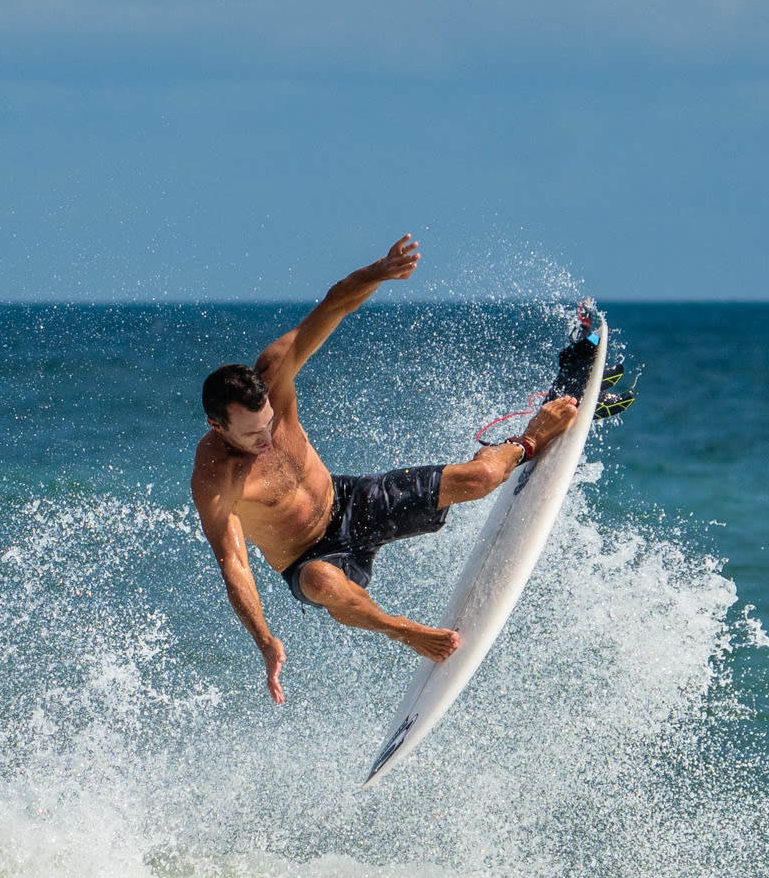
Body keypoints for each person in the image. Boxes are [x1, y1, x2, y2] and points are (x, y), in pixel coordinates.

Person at [189, 235, 575, 704]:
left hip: (350, 501)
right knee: (321, 583)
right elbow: (235, 567)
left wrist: (380, 272)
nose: (267, 438)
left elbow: (332, 307)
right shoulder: (216, 479)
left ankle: (529, 435)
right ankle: (406, 631)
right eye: (252, 436)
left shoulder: (275, 375)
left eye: (270, 424)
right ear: (217, 425)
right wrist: (265, 640)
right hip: (309, 559)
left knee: (481, 479)